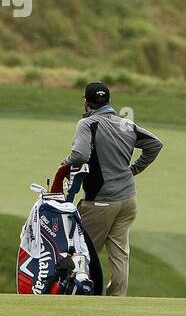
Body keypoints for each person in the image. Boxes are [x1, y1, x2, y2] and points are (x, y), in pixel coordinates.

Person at [61, 82, 163, 297]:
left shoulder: (87, 124)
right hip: (128, 200)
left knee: (83, 254)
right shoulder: (127, 124)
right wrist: (133, 170)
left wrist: (65, 162)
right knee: (119, 255)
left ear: (87, 103)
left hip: (100, 202)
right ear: (108, 101)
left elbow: (79, 155)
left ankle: (80, 298)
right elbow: (155, 144)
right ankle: (116, 301)